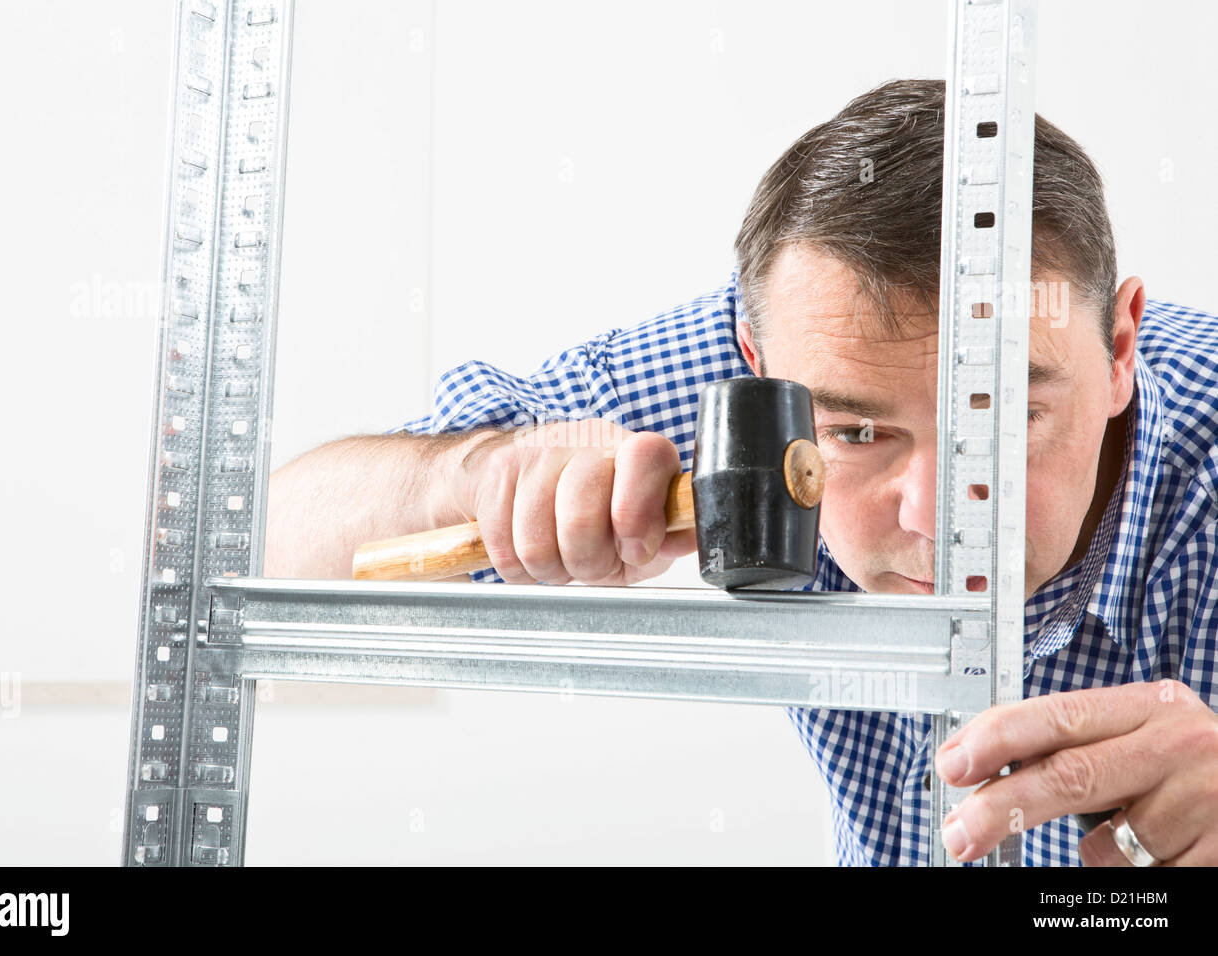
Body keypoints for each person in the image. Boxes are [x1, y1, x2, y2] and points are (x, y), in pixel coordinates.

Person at [264, 80, 1218, 867]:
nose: (934, 517)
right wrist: (475, 478)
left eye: (1006, 417)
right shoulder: (759, 385)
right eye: (855, 434)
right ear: (754, 364)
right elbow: (268, 539)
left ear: (1122, 343)